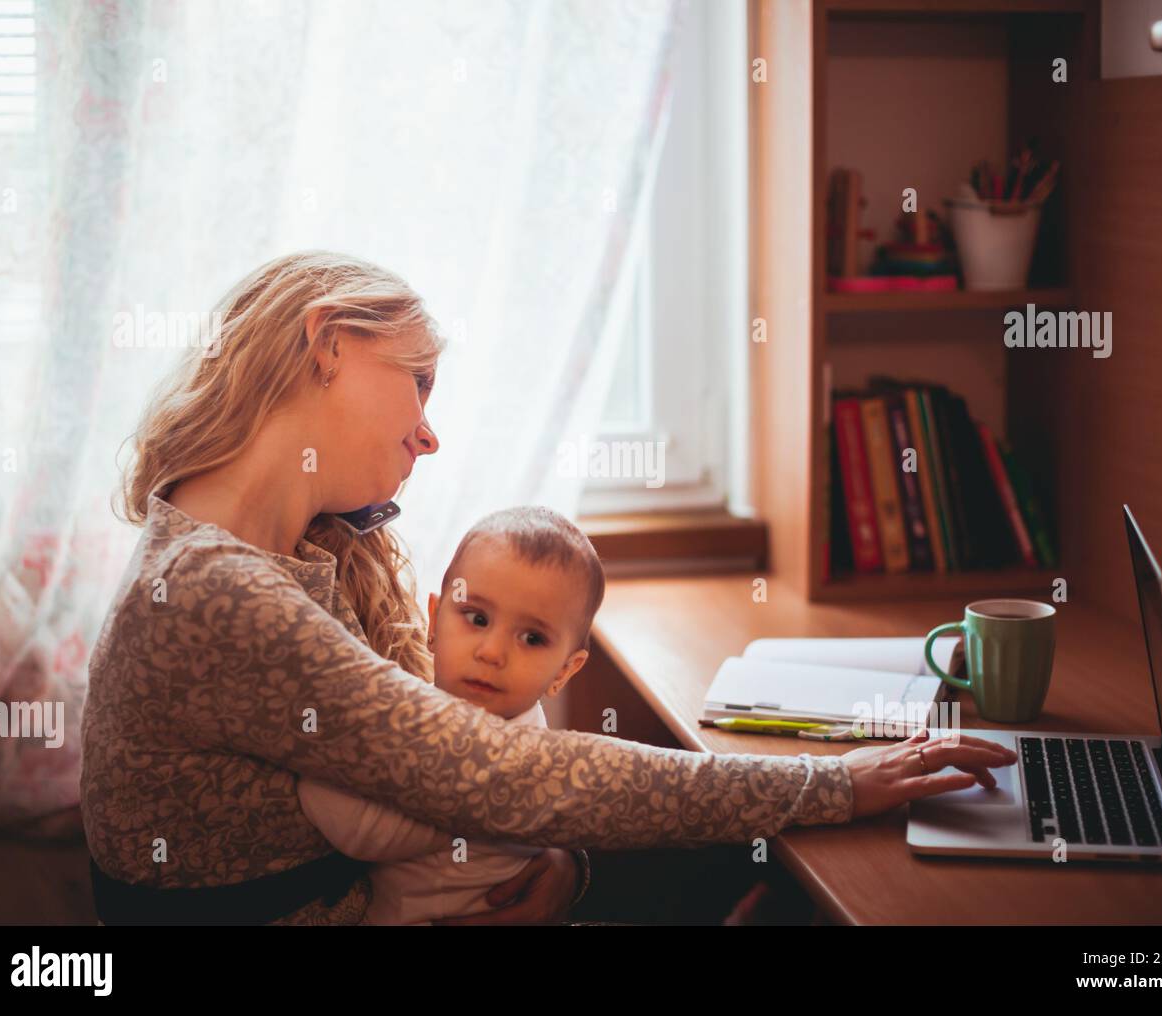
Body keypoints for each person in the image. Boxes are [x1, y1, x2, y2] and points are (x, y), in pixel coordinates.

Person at [80, 251, 1017, 926]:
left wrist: (562, 870)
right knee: (772, 875)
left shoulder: (285, 551)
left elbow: (470, 775)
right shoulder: (214, 593)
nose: (429, 433)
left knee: (751, 874)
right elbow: (493, 774)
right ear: (327, 343)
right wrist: (826, 784)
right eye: (419, 382)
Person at [297, 505, 603, 924]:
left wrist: (308, 756)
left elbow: (362, 834)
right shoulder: (430, 709)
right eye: (477, 618)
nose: (492, 652)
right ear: (434, 622)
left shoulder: (507, 753)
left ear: (565, 669)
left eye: (532, 638)